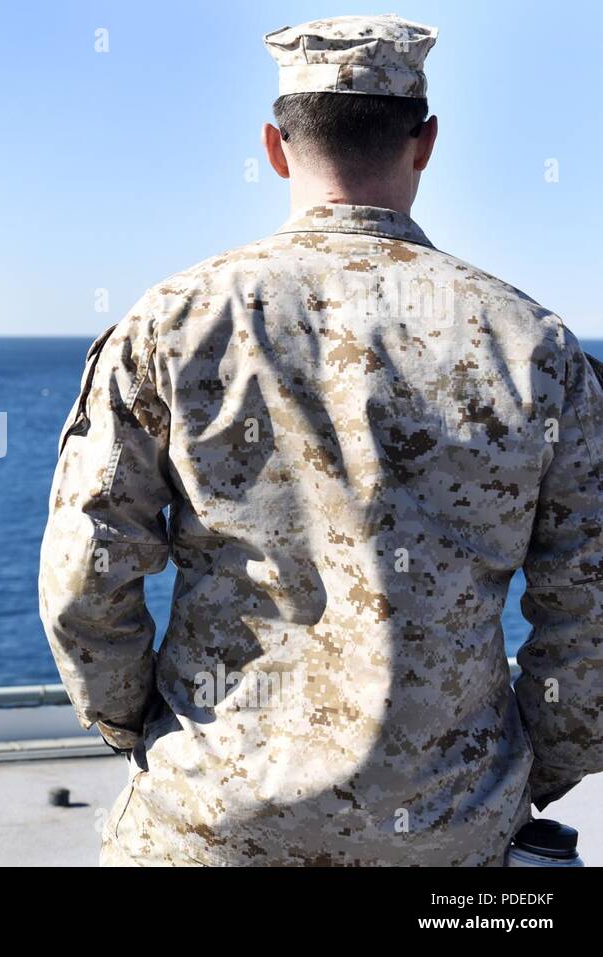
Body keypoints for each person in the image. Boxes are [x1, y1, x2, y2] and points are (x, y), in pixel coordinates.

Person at [39, 14, 603, 866]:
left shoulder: (169, 327)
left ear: (273, 145)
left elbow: (86, 582)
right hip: (449, 839)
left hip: (209, 828)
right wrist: (521, 775)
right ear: (426, 145)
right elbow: (589, 612)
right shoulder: (537, 349)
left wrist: (144, 729)